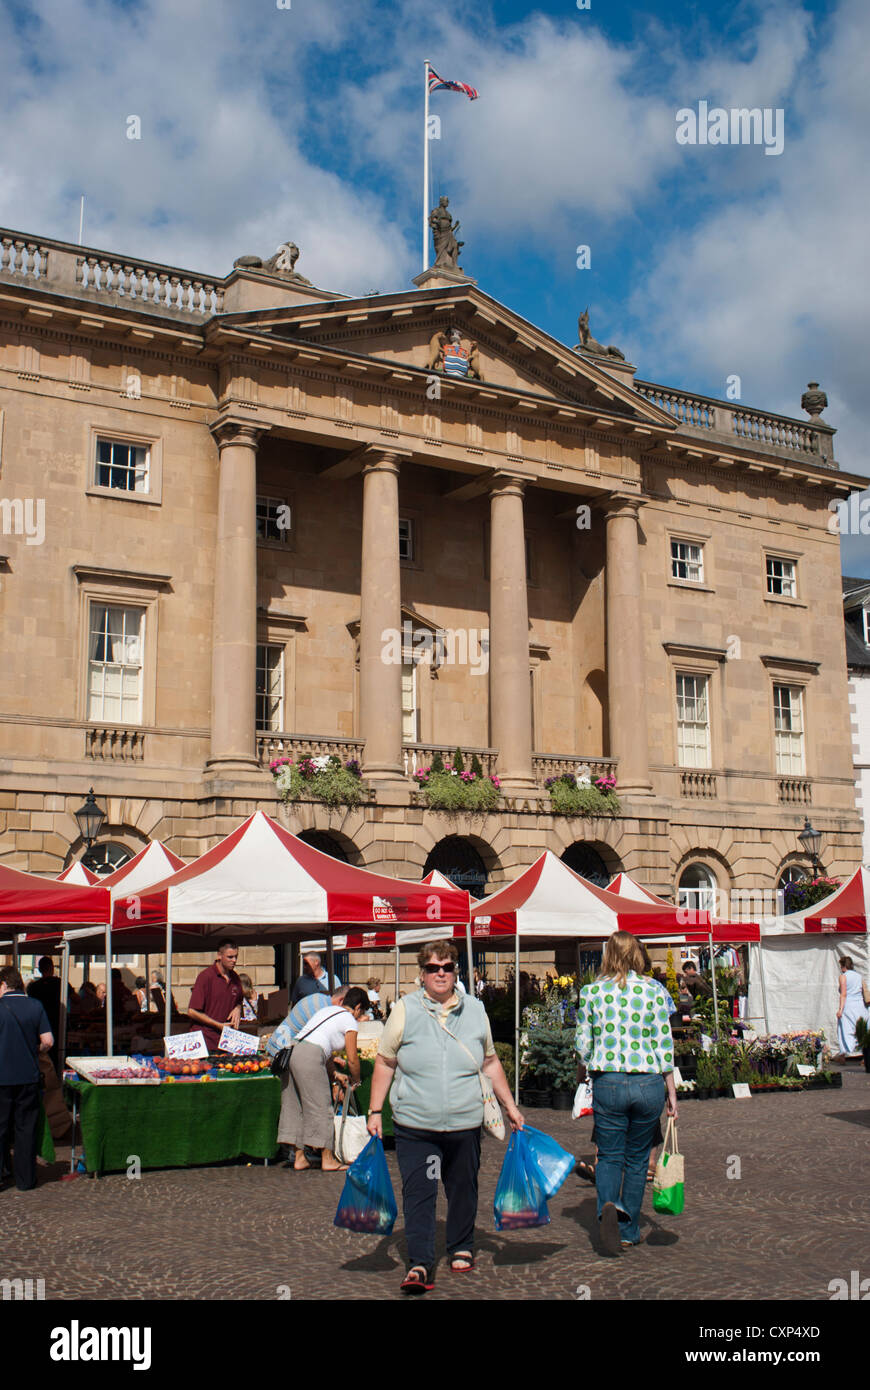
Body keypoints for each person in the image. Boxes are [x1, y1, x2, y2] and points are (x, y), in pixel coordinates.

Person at [367, 939, 523, 1295]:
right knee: (419, 1191)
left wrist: (510, 1107)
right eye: (433, 968)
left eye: (447, 967)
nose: (441, 974)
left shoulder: (475, 1010)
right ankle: (420, 1263)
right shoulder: (405, 1009)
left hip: (465, 1123)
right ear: (421, 973)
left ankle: (462, 1245)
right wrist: (375, 1111)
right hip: (415, 1125)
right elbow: (385, 1061)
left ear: (456, 972)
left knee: (462, 1188)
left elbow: (490, 1061)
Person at [575, 931, 677, 1254]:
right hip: (648, 1083)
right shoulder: (655, 991)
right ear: (637, 955)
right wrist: (671, 1091)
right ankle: (629, 1228)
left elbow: (582, 1046)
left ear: (607, 956)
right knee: (636, 1160)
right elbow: (664, 1045)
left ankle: (607, 1208)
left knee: (608, 1155)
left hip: (609, 1081)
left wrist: (581, 1078)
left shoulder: (592, 992)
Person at [278, 986, 369, 1172]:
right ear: (358, 1007)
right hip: (310, 1056)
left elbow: (321, 1045)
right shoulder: (349, 1020)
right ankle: (327, 1159)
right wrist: (356, 1080)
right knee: (321, 1105)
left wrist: (334, 1073)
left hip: (293, 1051)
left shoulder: (327, 1011)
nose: (360, 1018)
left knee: (296, 1106)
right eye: (362, 1013)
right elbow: (352, 1058)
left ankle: (300, 1157)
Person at [0, 965, 54, 1192]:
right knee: (25, 1129)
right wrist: (35, 1049)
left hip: (1, 1077)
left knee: (0, 1129)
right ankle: (26, 1179)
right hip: (28, 1076)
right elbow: (48, 1041)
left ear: (3, 984)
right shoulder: (35, 1006)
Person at [187, 941, 244, 1052]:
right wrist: (219, 1025)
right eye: (230, 957)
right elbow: (192, 1011)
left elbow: (239, 1000)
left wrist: (238, 1008)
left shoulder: (235, 978)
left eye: (236, 957)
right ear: (219, 956)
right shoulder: (206, 977)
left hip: (227, 1043)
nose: (234, 960)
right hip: (204, 1043)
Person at [27, 956, 61, 1067]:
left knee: (40, 1057)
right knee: (55, 1054)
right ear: (52, 968)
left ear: (40, 969)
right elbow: (76, 1000)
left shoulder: (33, 987)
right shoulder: (60, 983)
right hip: (57, 1023)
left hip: (37, 1024)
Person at [836, 956, 870, 1056]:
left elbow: (843, 994)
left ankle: (847, 1053)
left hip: (849, 1006)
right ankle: (863, 1053)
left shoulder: (843, 976)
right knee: (860, 1030)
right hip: (860, 1006)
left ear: (842, 966)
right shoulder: (859, 976)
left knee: (847, 1030)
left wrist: (840, 1010)